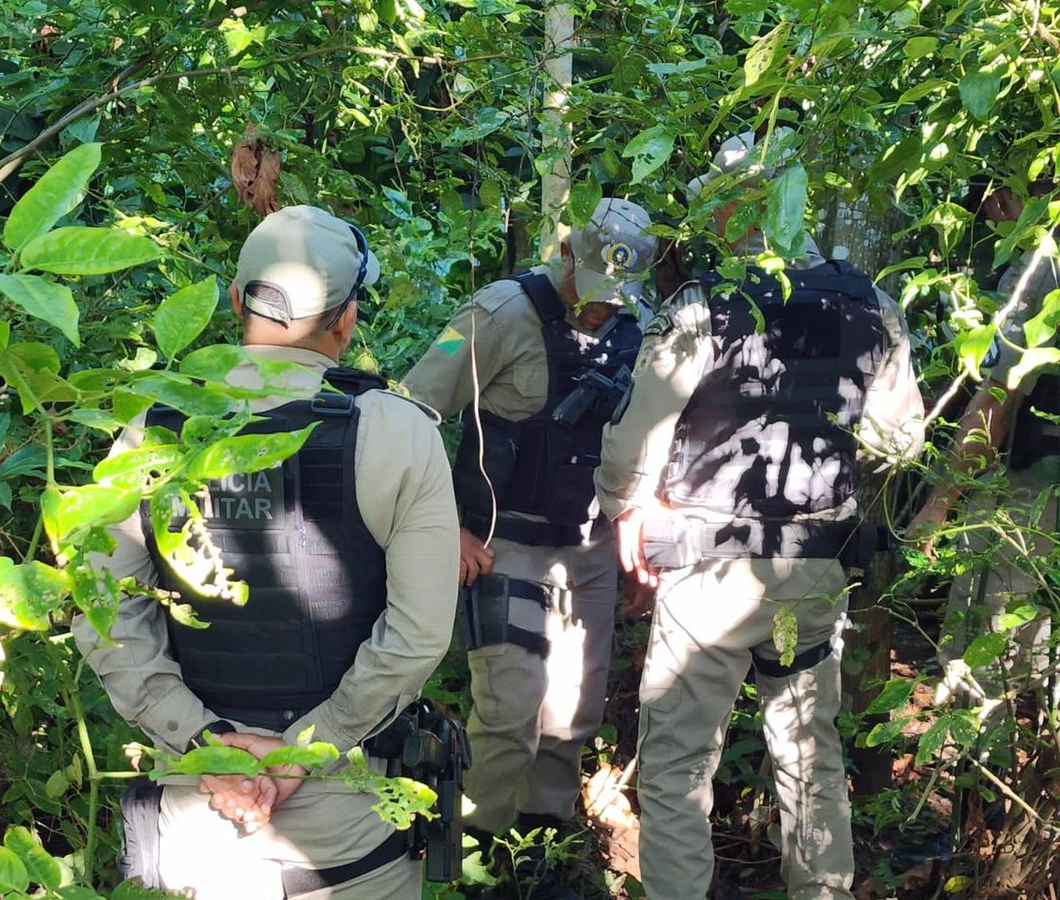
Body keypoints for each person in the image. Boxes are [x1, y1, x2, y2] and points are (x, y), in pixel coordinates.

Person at [73, 204, 461, 899]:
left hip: (199, 827)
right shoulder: (397, 433)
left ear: (233, 300)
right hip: (348, 841)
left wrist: (205, 741)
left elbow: (102, 610)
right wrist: (304, 751)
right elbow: (416, 636)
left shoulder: (152, 429)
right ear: (346, 319)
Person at [595, 132, 925, 900]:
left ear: (735, 205)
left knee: (677, 764)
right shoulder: (871, 305)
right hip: (813, 567)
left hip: (708, 568)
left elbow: (636, 438)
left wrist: (626, 509)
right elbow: (900, 440)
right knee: (810, 752)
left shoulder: (702, 307)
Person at [402, 199, 656, 875]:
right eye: (597, 291)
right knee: (510, 713)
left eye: (618, 298)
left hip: (590, 550)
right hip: (502, 544)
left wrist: (638, 544)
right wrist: (446, 526)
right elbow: (412, 411)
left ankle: (541, 860)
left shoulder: (640, 329)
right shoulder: (493, 315)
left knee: (570, 718)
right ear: (569, 253)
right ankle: (478, 863)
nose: (604, 309)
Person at [907, 181, 1059, 712]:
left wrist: (940, 502)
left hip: (1034, 491)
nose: (993, 213)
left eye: (1001, 198)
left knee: (989, 670)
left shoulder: (1042, 267)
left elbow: (998, 396)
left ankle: (985, 776)